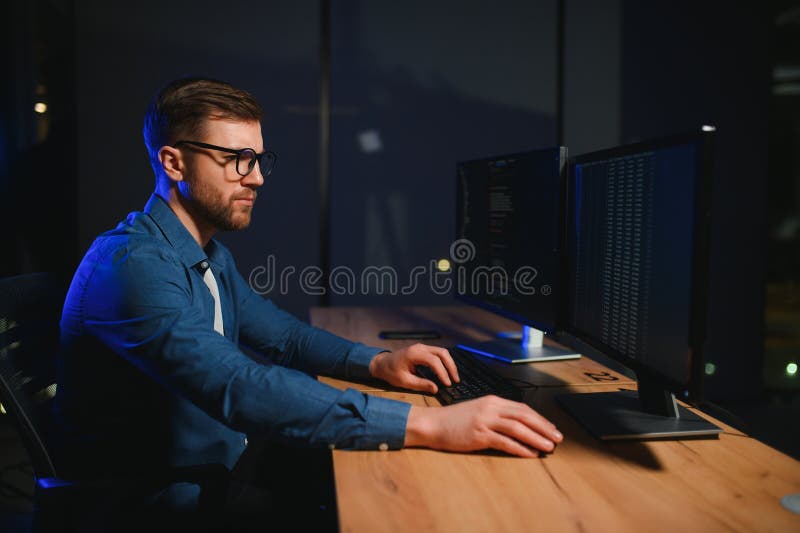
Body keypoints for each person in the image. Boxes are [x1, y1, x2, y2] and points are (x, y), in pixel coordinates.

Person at [53, 76, 563, 529]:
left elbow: (282, 336)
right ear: (173, 161)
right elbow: (235, 384)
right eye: (236, 159)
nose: (255, 177)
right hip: (163, 502)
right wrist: (428, 423)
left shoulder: (203, 251)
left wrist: (379, 362)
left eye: (257, 159)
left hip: (219, 467)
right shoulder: (133, 265)